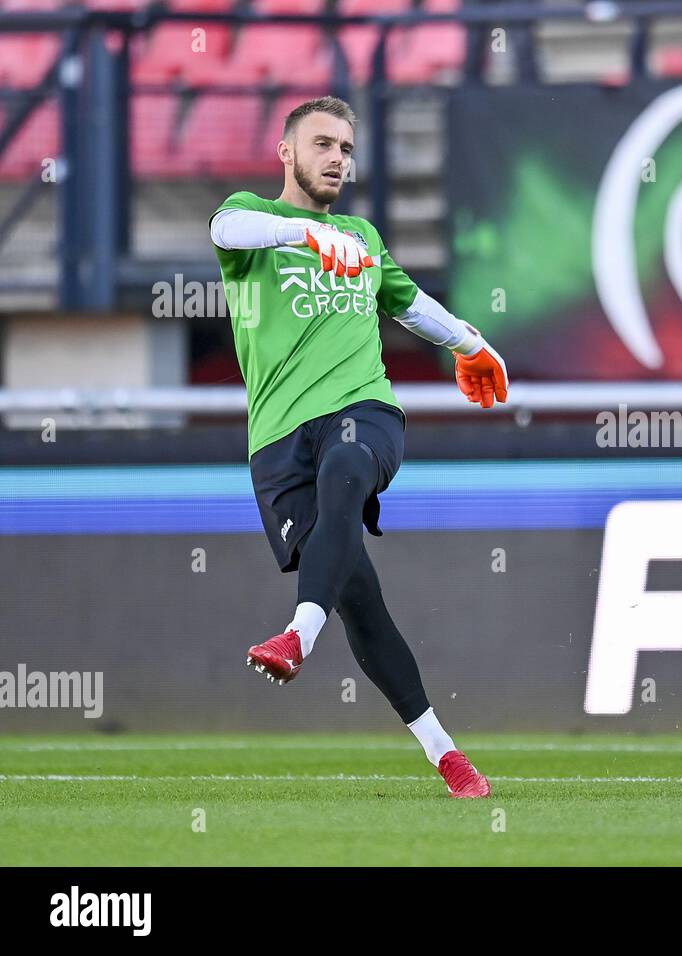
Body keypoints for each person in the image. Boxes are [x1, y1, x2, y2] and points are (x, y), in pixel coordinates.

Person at [209, 96, 507, 798]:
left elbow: (407, 303)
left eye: (345, 147)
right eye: (322, 144)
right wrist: (304, 238)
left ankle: (297, 636)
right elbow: (226, 224)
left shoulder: (364, 236)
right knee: (362, 603)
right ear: (286, 152)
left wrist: (471, 342)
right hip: (278, 443)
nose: (337, 157)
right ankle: (446, 755)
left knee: (348, 461)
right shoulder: (252, 222)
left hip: (361, 412)